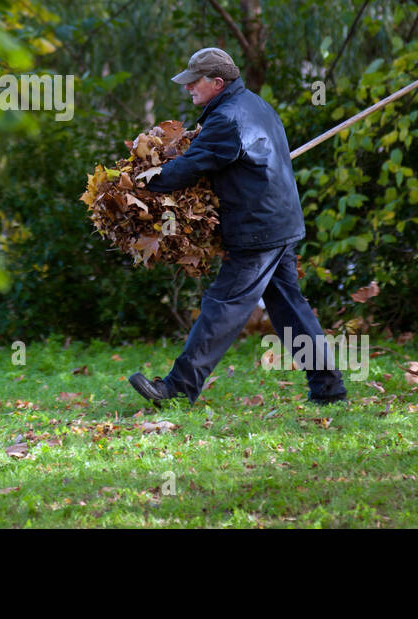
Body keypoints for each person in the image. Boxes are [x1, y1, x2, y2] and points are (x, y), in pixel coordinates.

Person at [128, 47, 348, 406]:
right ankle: (329, 388)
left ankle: (178, 388)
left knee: (222, 305)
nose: (188, 89)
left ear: (217, 82)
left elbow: (190, 167)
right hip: (279, 220)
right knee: (289, 308)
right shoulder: (253, 105)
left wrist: (143, 183)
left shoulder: (228, 119)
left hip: (259, 228)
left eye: (194, 82)